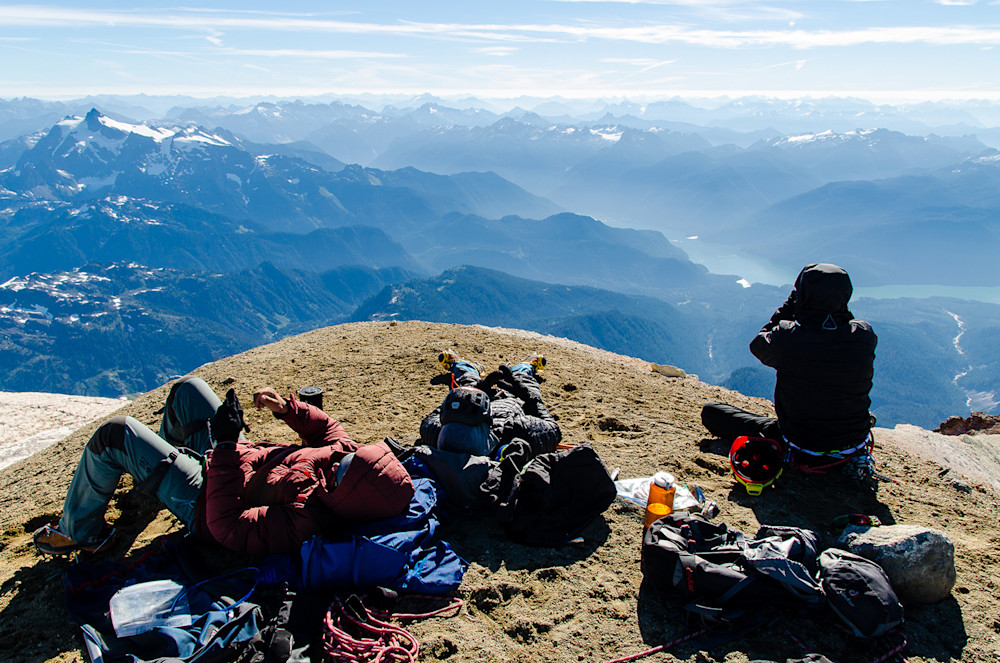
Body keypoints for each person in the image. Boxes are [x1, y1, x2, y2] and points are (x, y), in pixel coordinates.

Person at [33, 377, 414, 557]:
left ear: (346, 495)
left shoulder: (305, 518)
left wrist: (227, 446)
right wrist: (288, 409)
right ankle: (155, 469)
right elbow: (332, 432)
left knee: (115, 433)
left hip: (205, 499)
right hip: (230, 460)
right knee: (189, 390)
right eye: (352, 455)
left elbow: (227, 528)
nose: (341, 458)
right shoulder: (342, 461)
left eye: (345, 467)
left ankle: (80, 532)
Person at [701, 263, 877, 463]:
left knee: (712, 412)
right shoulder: (864, 334)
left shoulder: (789, 336)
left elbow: (758, 344)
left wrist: (791, 305)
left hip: (799, 442)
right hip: (853, 444)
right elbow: (837, 332)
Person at [419, 351, 561, 459]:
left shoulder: (443, 435)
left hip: (470, 404)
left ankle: (464, 366)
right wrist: (528, 398)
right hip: (513, 399)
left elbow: (428, 422)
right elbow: (553, 430)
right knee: (525, 380)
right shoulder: (514, 431)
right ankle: (524, 367)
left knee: (466, 382)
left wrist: (475, 392)